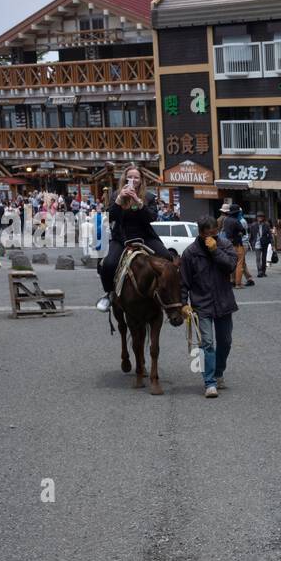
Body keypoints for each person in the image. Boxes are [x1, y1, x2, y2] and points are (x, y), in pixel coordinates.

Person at [96, 165, 176, 312]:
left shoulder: (149, 197)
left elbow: (151, 218)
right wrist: (120, 199)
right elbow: (110, 217)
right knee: (107, 264)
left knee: (167, 258)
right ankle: (109, 294)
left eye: (136, 177)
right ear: (125, 178)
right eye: (130, 177)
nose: (132, 180)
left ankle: (168, 295)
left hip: (145, 236)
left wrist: (139, 202)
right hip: (122, 237)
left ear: (141, 180)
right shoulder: (115, 195)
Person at [180, 216, 238, 398]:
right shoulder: (190, 253)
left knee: (226, 341)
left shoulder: (225, 245)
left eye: (215, 233)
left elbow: (231, 266)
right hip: (201, 304)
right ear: (201, 232)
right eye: (208, 233)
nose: (212, 236)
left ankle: (219, 371)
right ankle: (209, 382)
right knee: (207, 343)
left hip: (224, 301)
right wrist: (183, 303)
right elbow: (184, 281)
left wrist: (215, 251)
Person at [248, 210, 273, 279]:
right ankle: (259, 272)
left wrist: (271, 243)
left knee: (264, 258)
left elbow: (270, 235)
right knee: (258, 258)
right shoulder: (253, 225)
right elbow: (251, 235)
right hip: (257, 243)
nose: (260, 218)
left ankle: (264, 272)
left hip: (265, 243)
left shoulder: (266, 225)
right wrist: (250, 243)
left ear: (263, 218)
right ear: (256, 217)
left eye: (261, 217)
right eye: (259, 217)